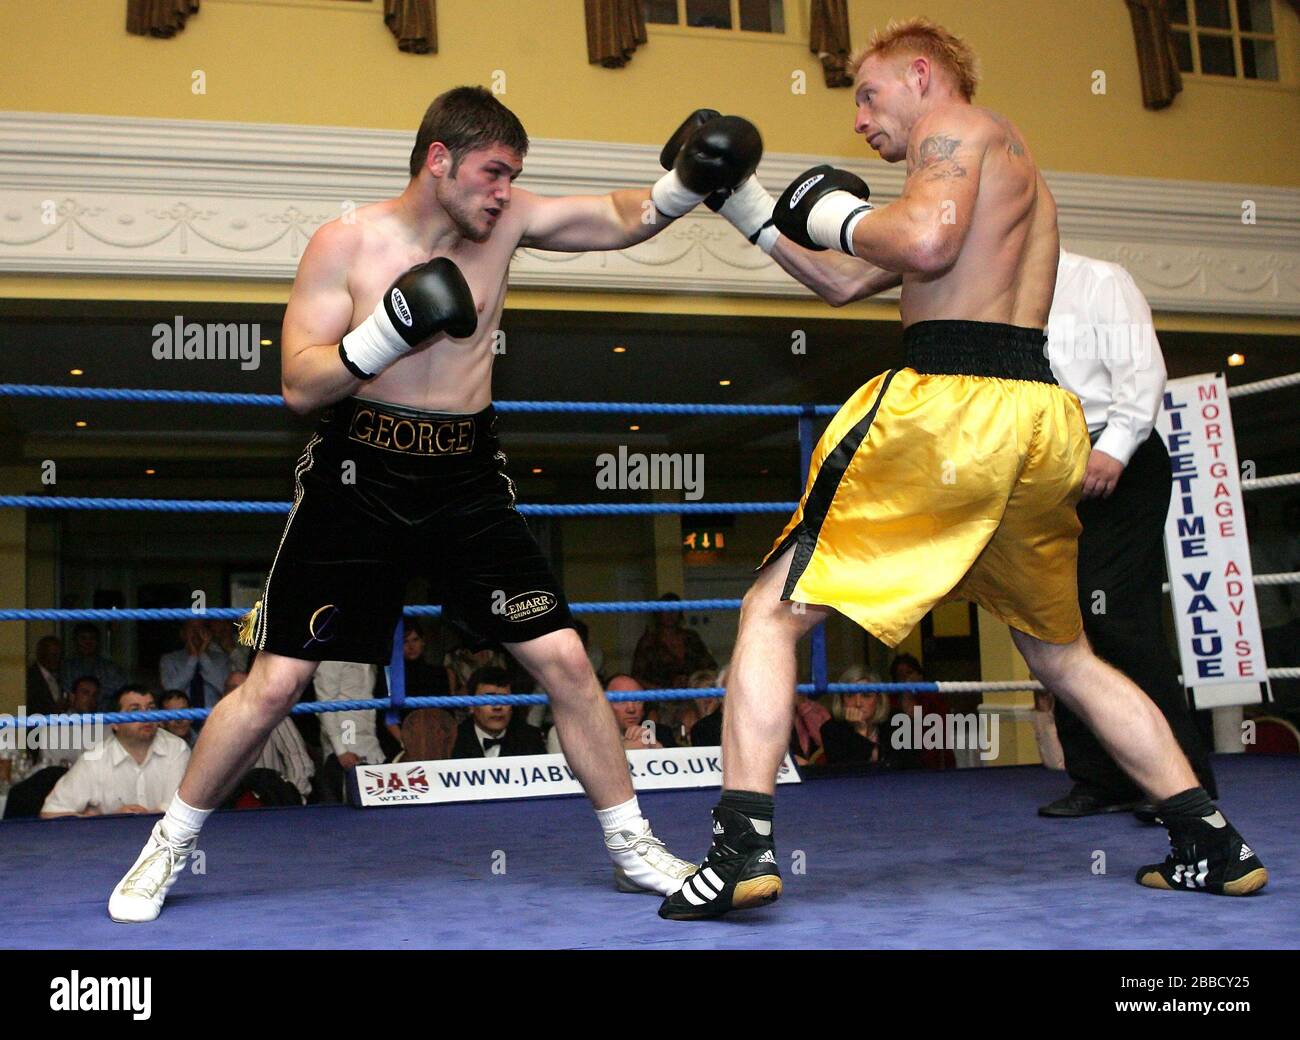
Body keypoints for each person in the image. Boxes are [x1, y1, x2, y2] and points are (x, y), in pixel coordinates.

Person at [660, 18, 1266, 921]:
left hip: (949, 405)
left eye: (868, 95)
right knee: (1062, 653)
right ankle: (1211, 841)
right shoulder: (1022, 178)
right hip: (1036, 416)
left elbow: (927, 242)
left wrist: (828, 204)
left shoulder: (960, 133)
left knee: (771, 611)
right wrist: (748, 205)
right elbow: (842, 281)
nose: (861, 120)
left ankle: (740, 848)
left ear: (920, 74)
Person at [108, 86, 761, 921]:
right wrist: (387, 330)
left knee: (563, 659)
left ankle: (632, 846)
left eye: (514, 176)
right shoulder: (345, 243)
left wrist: (682, 187)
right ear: (439, 160)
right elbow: (299, 386)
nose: (504, 191)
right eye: (493, 172)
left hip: (466, 475)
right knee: (277, 681)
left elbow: (617, 217)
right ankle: (167, 846)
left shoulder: (509, 218)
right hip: (358, 471)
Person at [1038, 249, 1217, 819]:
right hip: (1045, 466)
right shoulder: (996, 290)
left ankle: (1182, 783)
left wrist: (1113, 447)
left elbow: (1142, 371)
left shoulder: (1097, 280)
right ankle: (1100, 778)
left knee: (1118, 614)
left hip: (1118, 456)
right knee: (1062, 621)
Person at [41, 687, 189, 818]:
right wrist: (105, 820)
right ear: (114, 722)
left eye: (150, 708)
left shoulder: (177, 749)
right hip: (110, 844)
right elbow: (51, 812)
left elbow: (181, 812)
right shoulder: (94, 759)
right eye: (135, 710)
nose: (147, 717)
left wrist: (132, 819)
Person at [450, 666, 546, 758]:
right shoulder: (452, 739)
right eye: (488, 699)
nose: (498, 707)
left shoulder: (531, 739)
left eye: (504, 699)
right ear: (471, 705)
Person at [631, 593, 717, 690]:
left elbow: (709, 667)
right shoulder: (649, 641)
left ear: (679, 613)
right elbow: (637, 677)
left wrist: (693, 681)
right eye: (666, 609)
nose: (670, 613)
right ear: (658, 613)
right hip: (659, 699)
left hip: (692, 695)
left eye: (674, 609)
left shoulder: (691, 638)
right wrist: (662, 691)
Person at [158, 618, 230, 711]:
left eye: (201, 629)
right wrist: (193, 658)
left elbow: (223, 688)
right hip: (181, 718)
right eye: (191, 629)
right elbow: (170, 691)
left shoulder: (221, 658)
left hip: (213, 716)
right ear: (183, 634)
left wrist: (202, 656)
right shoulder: (169, 659)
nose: (196, 633)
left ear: (209, 633)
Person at [60, 623, 127, 709]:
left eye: (92, 638)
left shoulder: (111, 669)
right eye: (83, 638)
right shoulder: (67, 668)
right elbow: (66, 697)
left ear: (98, 642)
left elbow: (122, 696)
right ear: (75, 641)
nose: (88, 643)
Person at [26, 635, 62, 716]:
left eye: (59, 655)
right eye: (53, 654)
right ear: (41, 654)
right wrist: (55, 709)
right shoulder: (30, 678)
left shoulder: (58, 675)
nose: (57, 658)